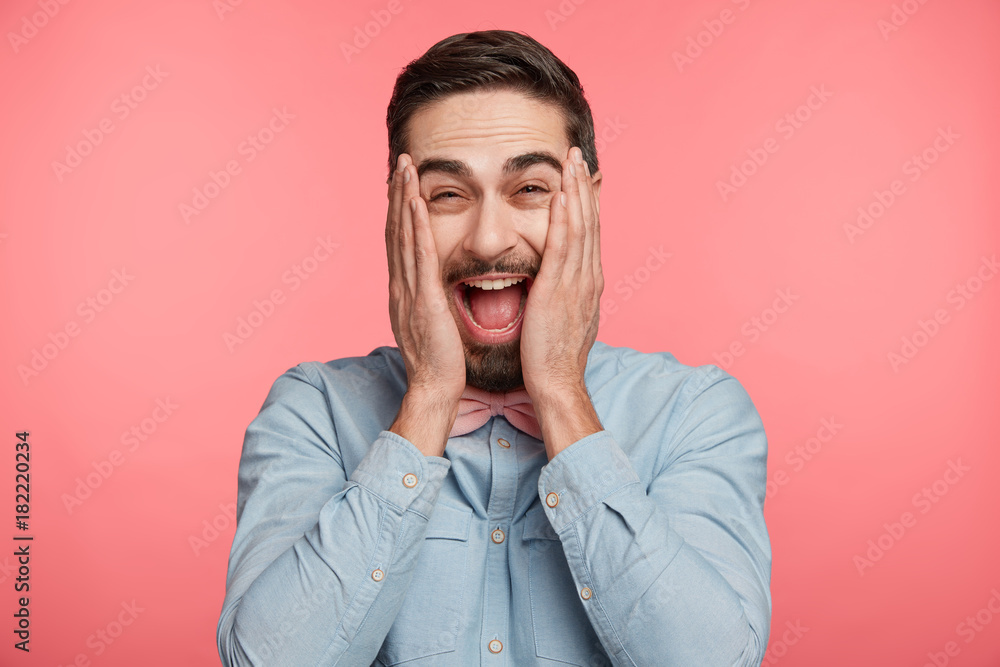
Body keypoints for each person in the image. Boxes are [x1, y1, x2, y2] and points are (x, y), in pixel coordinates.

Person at [217, 29, 771, 666]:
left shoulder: (695, 413)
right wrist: (426, 399)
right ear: (399, 215)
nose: (487, 239)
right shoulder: (312, 411)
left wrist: (561, 391)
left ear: (589, 203)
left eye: (529, 189)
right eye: (448, 195)